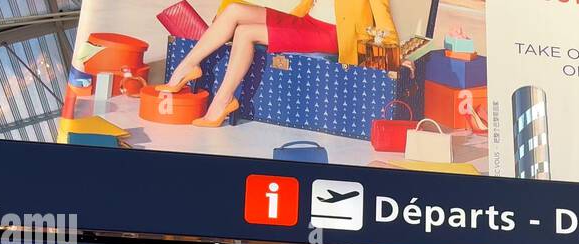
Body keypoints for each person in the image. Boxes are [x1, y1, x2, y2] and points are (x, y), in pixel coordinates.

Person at [160, 0, 399, 127]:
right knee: (233, 10)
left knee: (245, 33)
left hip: (331, 35)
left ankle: (222, 102)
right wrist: (282, 22)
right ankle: (187, 66)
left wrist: (396, 57)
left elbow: (384, 18)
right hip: (306, 22)